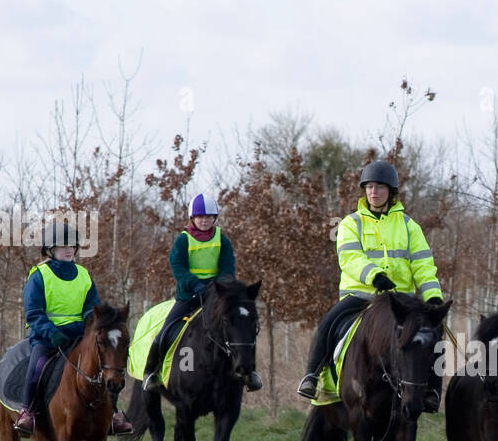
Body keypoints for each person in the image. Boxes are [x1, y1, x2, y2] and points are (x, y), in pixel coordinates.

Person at [297, 160, 444, 412]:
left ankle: (431, 391)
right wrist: (375, 276)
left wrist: (432, 296)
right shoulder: (349, 224)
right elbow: (350, 258)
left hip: (400, 301)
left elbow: (423, 264)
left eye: (380, 187)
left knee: (433, 332)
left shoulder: (410, 226)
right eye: (370, 187)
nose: (374, 192)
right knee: (328, 323)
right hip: (361, 295)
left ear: (391, 191)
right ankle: (312, 376)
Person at [14, 221, 132, 437]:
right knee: (38, 366)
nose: (69, 250)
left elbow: (91, 309)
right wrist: (52, 332)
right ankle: (27, 411)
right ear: (50, 249)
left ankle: (113, 413)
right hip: (48, 337)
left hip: (79, 335)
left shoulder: (83, 275)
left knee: (105, 364)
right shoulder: (39, 276)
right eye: (63, 246)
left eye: (72, 246)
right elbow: (34, 313)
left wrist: (88, 326)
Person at [142, 193, 263, 393]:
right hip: (189, 295)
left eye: (208, 217)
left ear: (214, 218)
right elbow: (177, 266)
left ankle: (250, 373)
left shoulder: (222, 239)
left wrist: (218, 286)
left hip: (217, 295)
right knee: (166, 331)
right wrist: (194, 283)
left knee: (242, 329)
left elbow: (227, 267)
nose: (204, 220)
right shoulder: (183, 240)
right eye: (200, 217)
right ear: (192, 218)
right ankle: (151, 371)